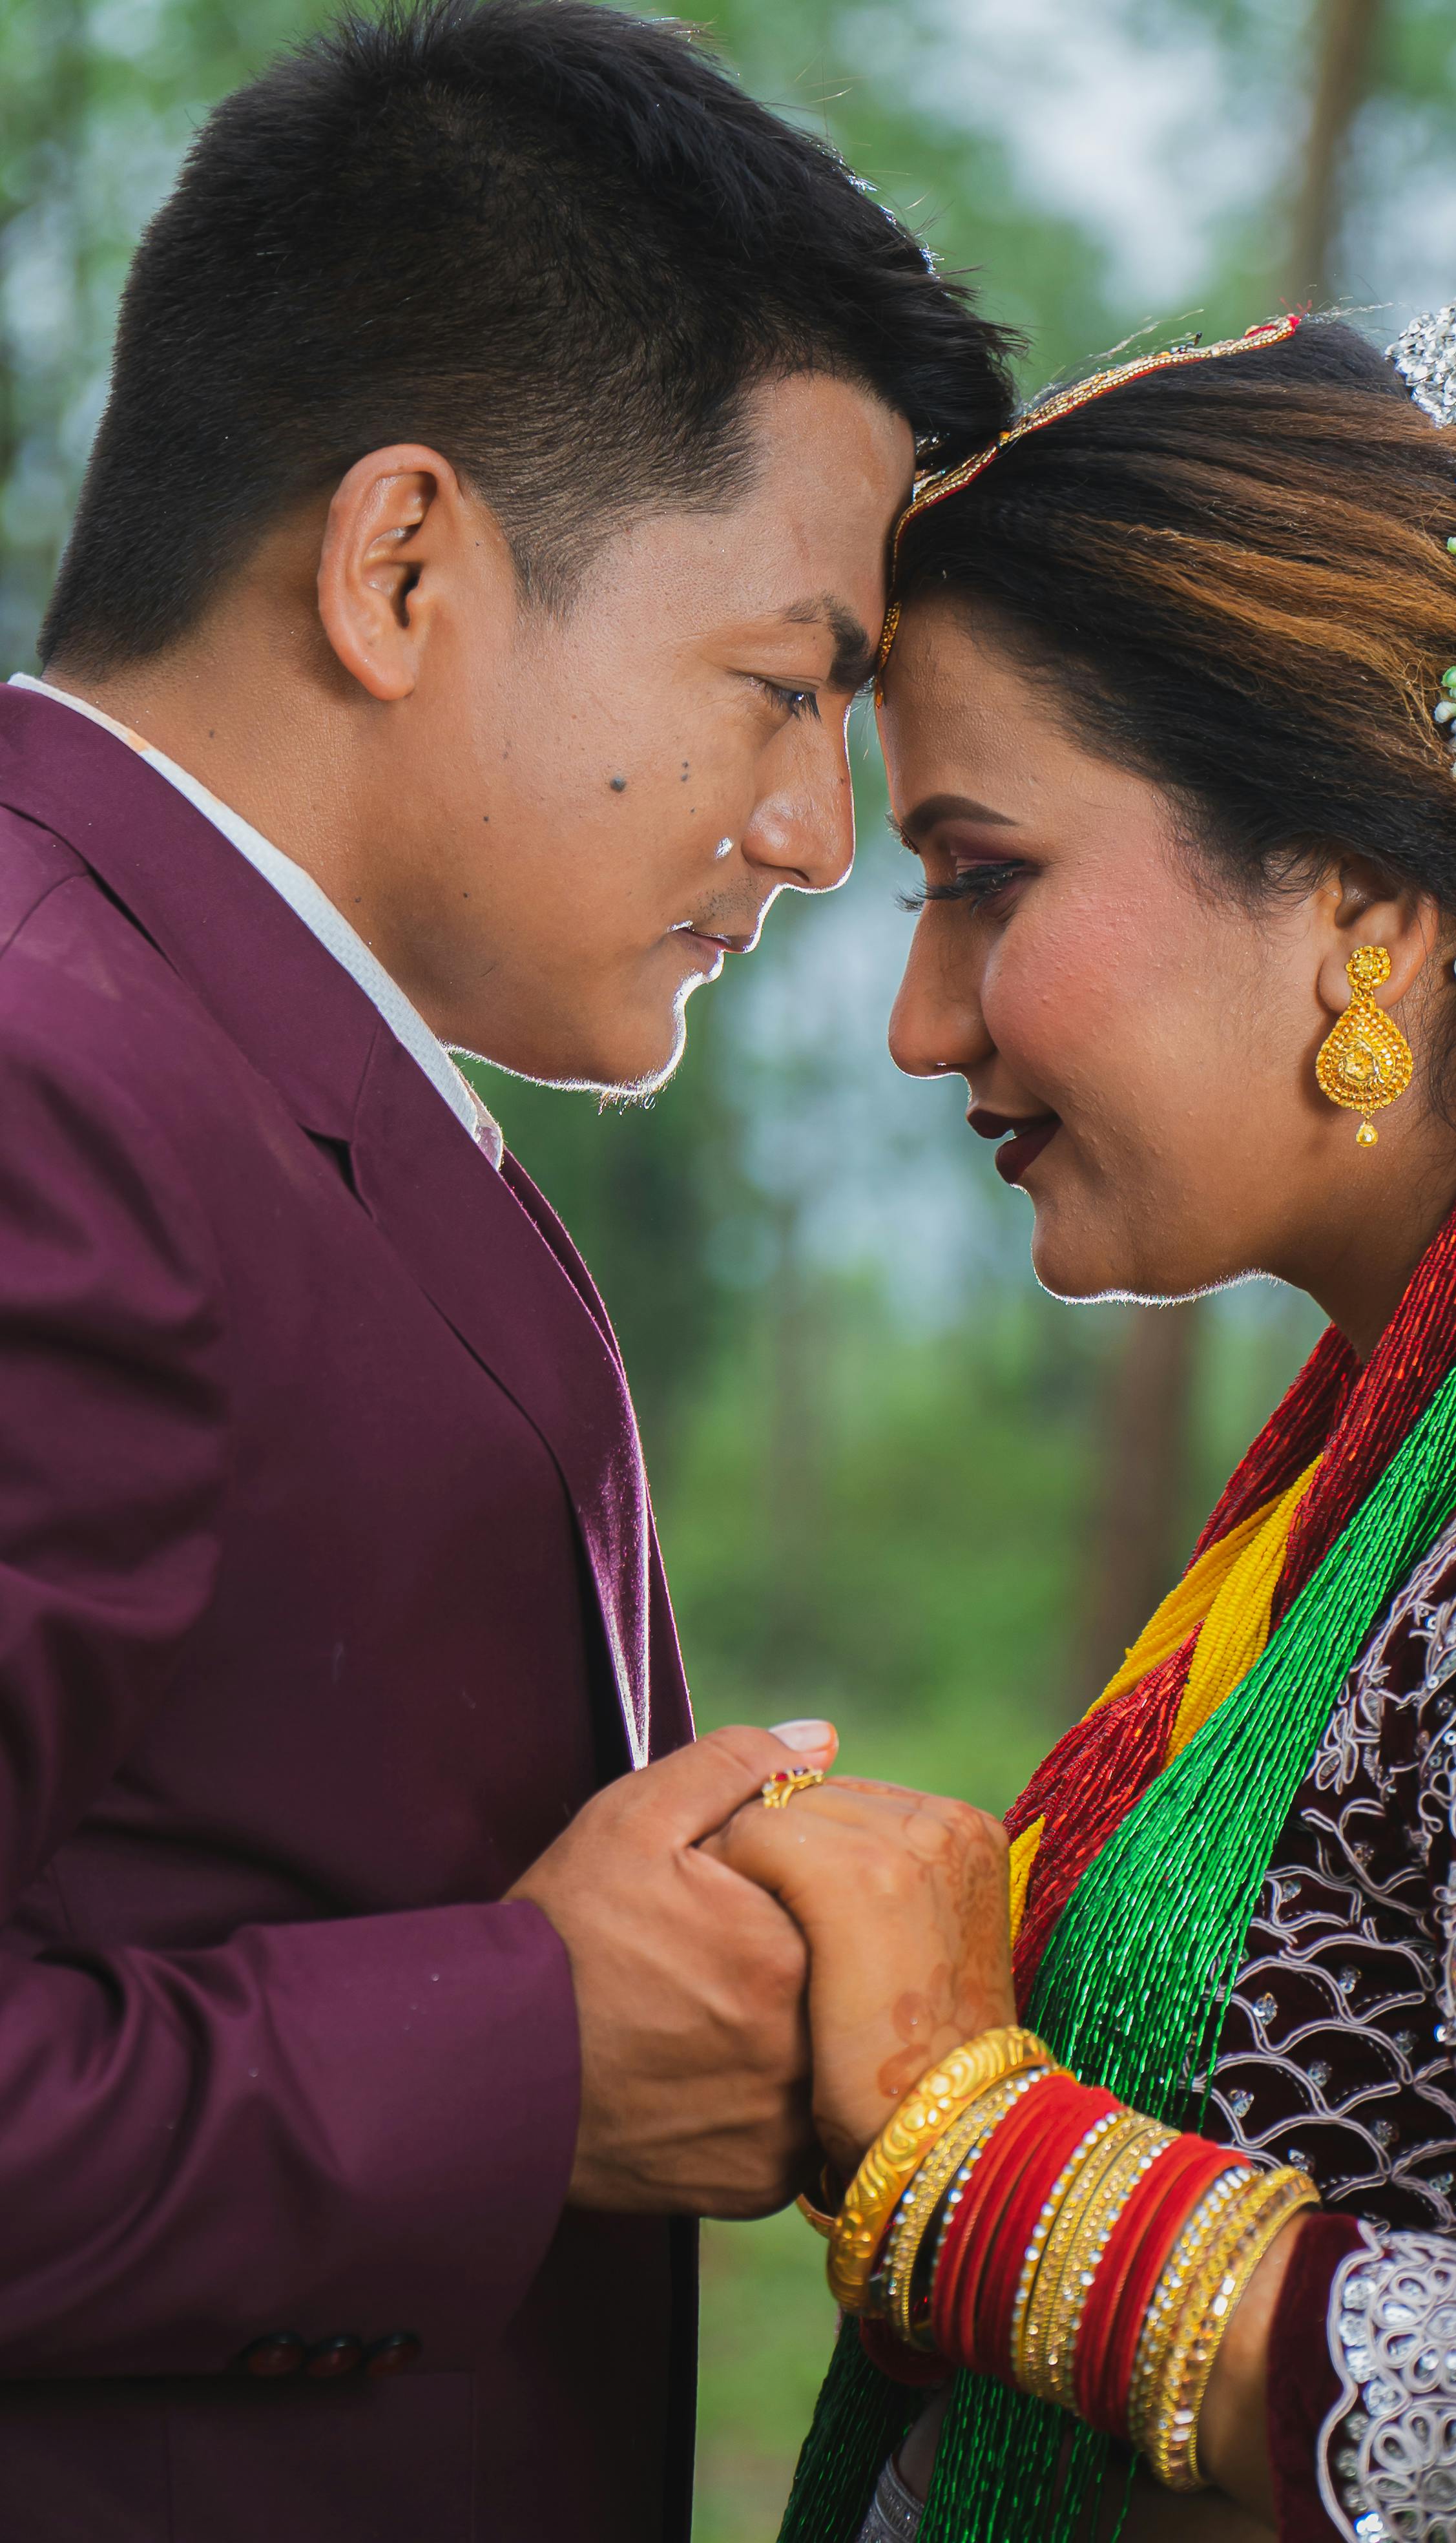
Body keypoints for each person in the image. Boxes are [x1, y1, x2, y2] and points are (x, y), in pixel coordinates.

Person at [0, 5, 1023, 2537]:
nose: (811, 833)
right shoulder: (46, 1065)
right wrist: (529, 2053)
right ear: (403, 563)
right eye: (786, 685)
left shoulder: (215, 1031)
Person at [703, 264, 1456, 2541]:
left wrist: (965, 2146)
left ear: (1354, 889)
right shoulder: (1420, 1416)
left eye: (984, 880)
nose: (920, 1025)